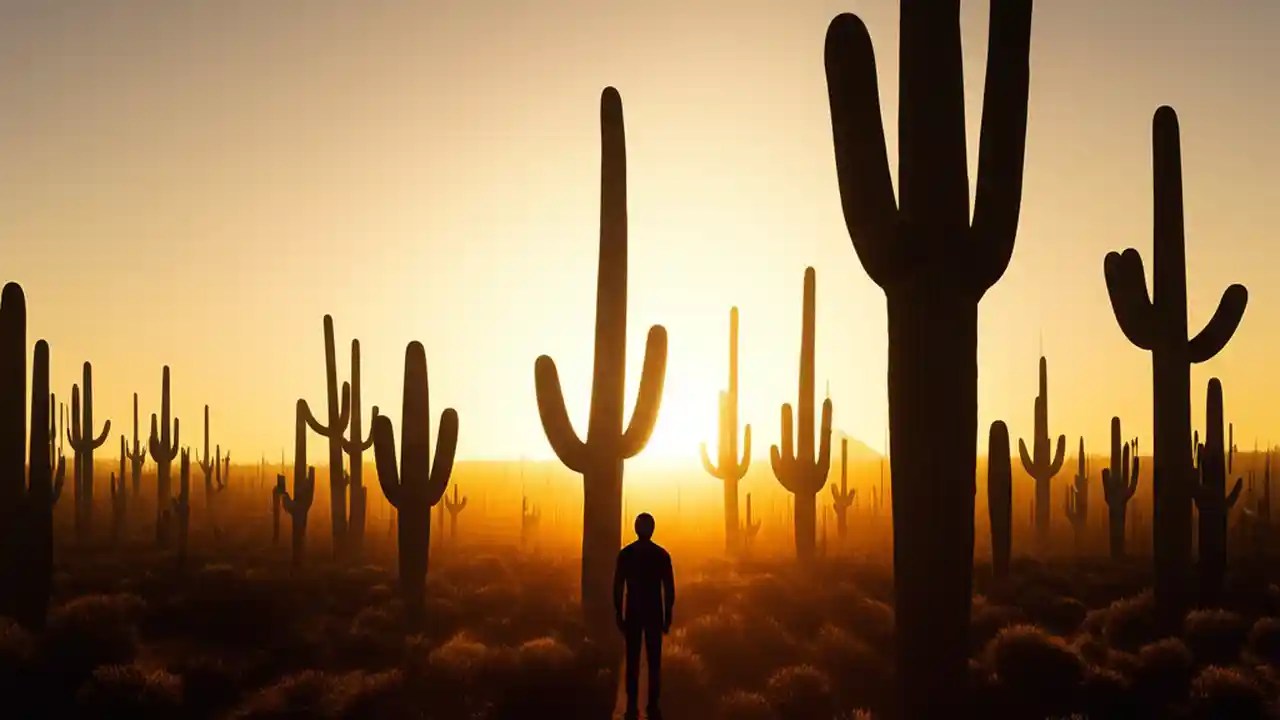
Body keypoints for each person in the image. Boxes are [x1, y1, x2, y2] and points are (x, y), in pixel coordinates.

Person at [614, 512, 675, 720]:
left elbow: (617, 587)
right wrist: (668, 616)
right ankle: (653, 705)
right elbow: (669, 589)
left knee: (632, 660)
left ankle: (632, 706)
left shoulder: (626, 554)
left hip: (633, 613)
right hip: (654, 613)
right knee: (654, 662)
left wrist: (618, 613)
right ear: (652, 529)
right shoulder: (661, 555)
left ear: (635, 528)